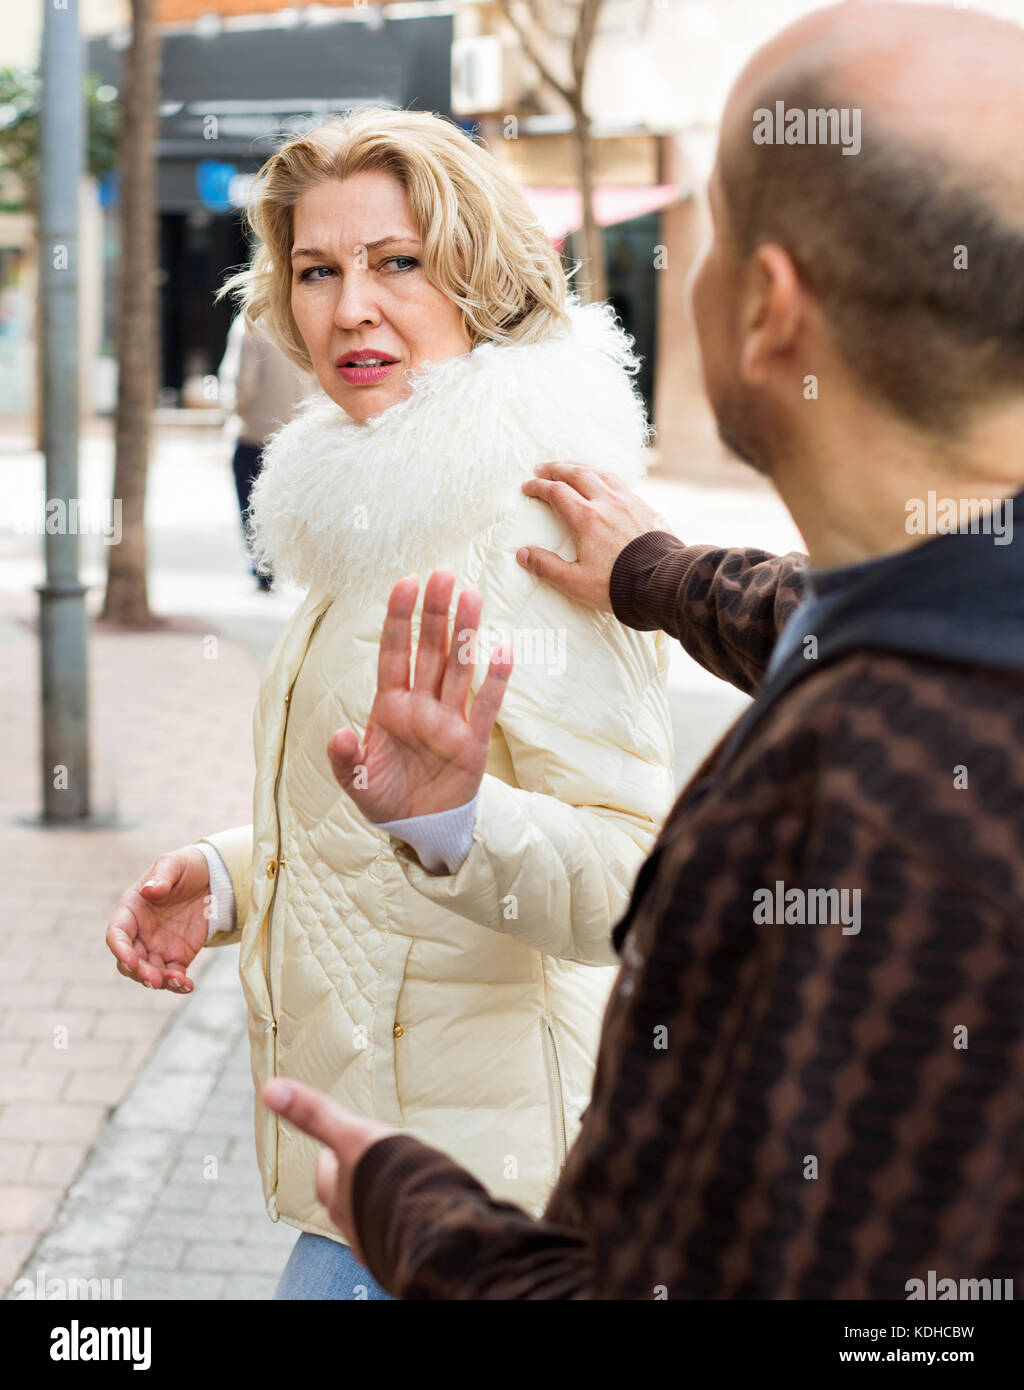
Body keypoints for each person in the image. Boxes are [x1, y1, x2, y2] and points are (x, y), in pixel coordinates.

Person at [263, 1, 1024, 1298]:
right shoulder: (923, 651)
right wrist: (666, 577)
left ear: (767, 309)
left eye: (715, 230)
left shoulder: (853, 790)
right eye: (319, 268)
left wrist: (413, 1205)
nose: (352, 305)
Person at [105, 108, 677, 1299]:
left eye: (396, 262)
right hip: (378, 1173)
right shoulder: (373, 503)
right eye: (317, 269)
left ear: (476, 275)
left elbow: (637, 881)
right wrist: (225, 878)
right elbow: (382, 814)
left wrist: (458, 823)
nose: (349, 307)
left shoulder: (520, 523)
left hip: (487, 1192)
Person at [216, 313, 314, 589]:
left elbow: (241, 382)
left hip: (254, 432)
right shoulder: (301, 319)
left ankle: (263, 567)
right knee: (285, 501)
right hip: (296, 432)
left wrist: (230, 410)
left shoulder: (249, 324)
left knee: (250, 503)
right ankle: (284, 562)